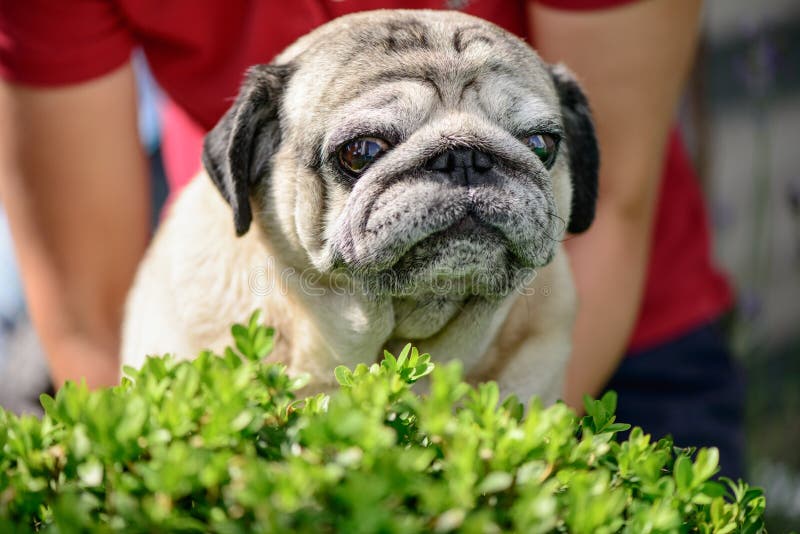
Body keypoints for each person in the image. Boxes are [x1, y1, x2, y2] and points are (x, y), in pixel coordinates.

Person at [0, 0, 744, 476]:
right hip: (258, 310)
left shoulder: (582, 211)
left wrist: (486, 483)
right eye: (365, 153)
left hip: (614, 333)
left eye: (533, 145)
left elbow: (608, 211)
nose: (462, 172)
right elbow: (89, 314)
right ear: (245, 162)